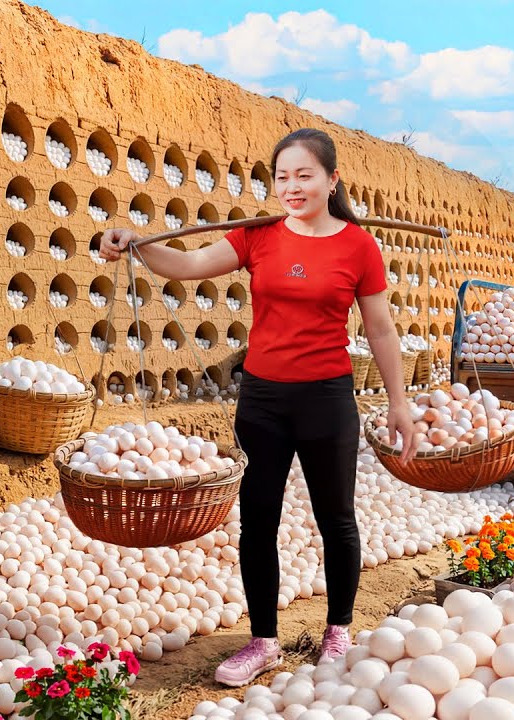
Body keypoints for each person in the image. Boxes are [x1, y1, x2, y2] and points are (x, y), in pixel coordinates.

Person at [99, 128, 417, 687]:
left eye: (305, 175)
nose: (292, 187)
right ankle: (263, 640)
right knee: (258, 522)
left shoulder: (358, 247)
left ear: (331, 180)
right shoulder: (258, 236)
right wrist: (140, 242)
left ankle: (337, 629)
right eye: (283, 177)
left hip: (326, 398)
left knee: (336, 518)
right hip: (263, 400)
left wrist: (400, 403)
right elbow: (190, 264)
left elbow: (382, 330)